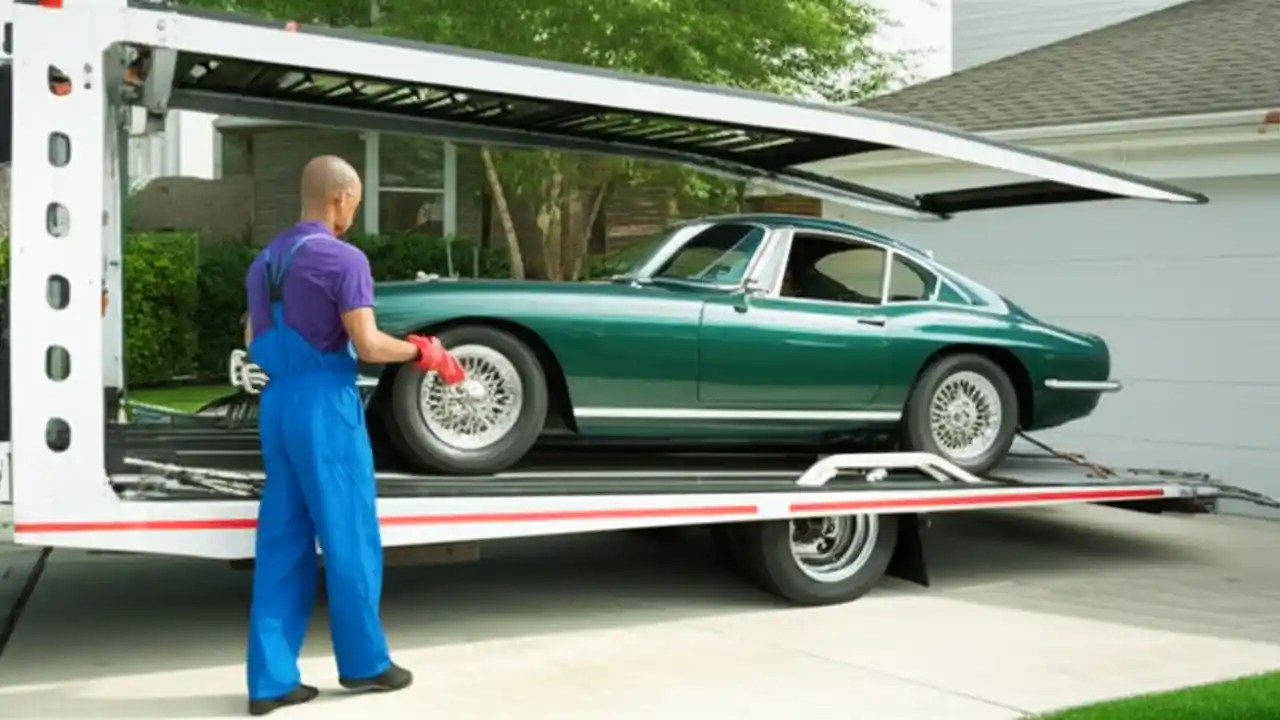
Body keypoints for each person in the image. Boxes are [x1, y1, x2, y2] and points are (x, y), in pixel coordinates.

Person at [242, 155, 464, 716]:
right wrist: (424, 352)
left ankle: (270, 681)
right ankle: (365, 664)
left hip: (279, 404)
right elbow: (367, 345)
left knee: (282, 540)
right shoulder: (343, 259)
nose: (352, 215)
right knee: (349, 535)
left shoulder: (263, 262)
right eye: (355, 204)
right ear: (341, 197)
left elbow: (252, 337)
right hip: (325, 404)